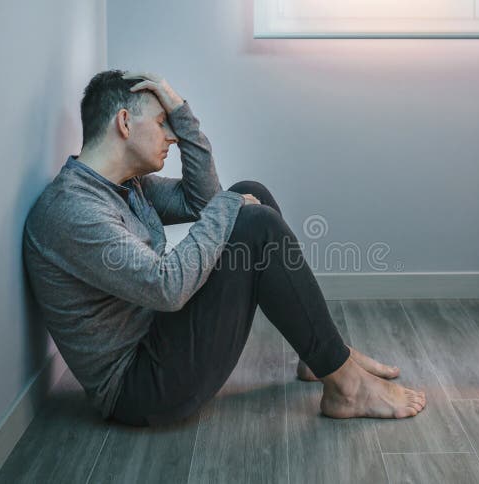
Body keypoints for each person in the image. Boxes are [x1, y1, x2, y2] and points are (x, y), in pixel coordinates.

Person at [22, 69, 426, 426]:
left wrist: (181, 111)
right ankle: (346, 386)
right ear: (124, 123)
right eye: (163, 123)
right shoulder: (75, 210)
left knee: (250, 194)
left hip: (158, 339)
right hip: (140, 386)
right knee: (251, 219)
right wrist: (230, 207)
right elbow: (165, 288)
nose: (171, 137)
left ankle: (319, 356)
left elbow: (204, 201)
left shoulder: (126, 187)